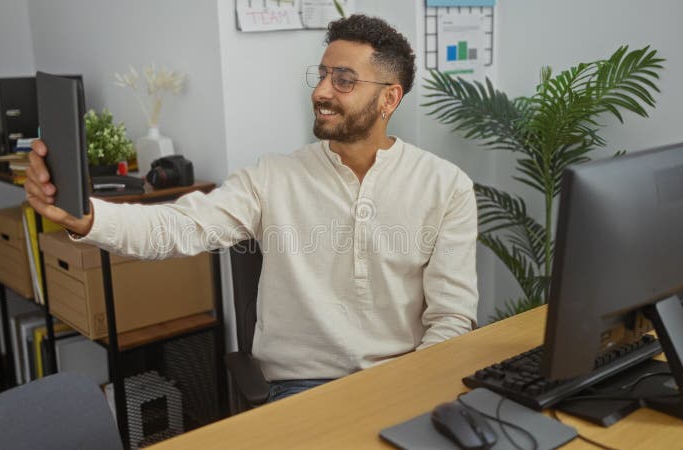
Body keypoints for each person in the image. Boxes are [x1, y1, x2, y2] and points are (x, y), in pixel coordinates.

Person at [24, 15, 478, 402]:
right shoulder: (272, 177)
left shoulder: (445, 186)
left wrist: (412, 388)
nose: (322, 91)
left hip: (400, 382)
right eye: (321, 74)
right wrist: (89, 219)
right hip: (302, 389)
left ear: (389, 99)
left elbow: (452, 317)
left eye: (343, 79)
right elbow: (180, 227)